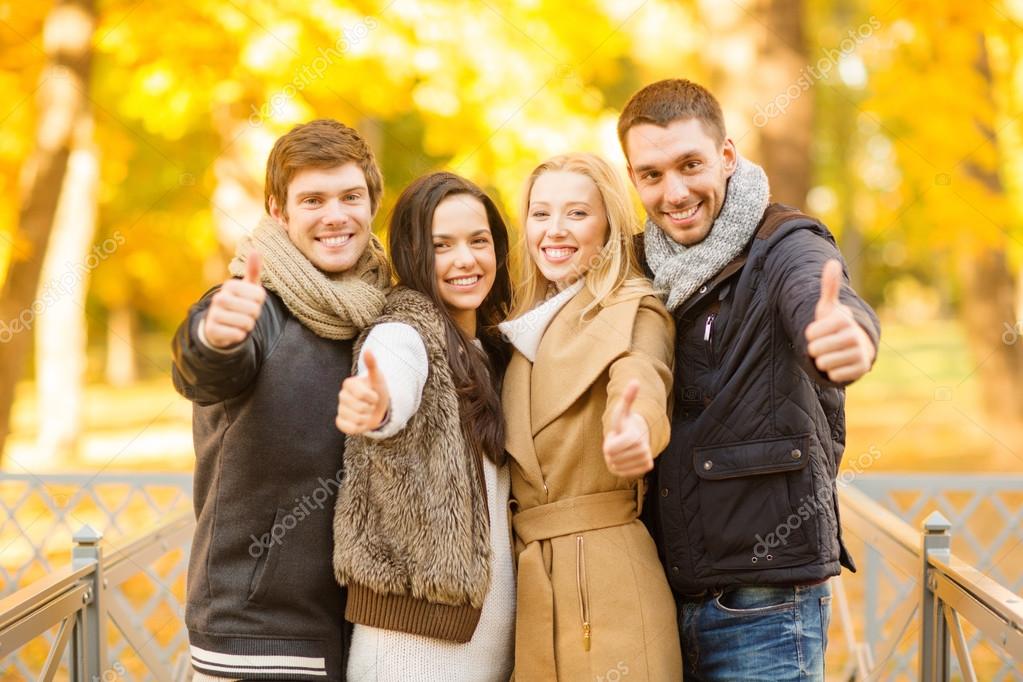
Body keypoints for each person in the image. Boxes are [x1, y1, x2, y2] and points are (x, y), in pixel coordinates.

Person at [617, 78, 881, 681]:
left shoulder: (784, 243)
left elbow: (819, 293)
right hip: (657, 598)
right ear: (633, 178)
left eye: (691, 165)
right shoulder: (634, 264)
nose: (675, 191)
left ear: (728, 156)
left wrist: (843, 336)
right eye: (652, 174)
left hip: (764, 607)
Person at [171, 119, 391, 682]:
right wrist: (213, 338)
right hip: (257, 635)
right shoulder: (255, 305)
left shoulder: (386, 305)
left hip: (365, 635)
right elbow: (206, 367)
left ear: (373, 201)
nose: (335, 215)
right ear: (278, 210)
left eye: (350, 196)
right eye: (312, 200)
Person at [498, 152, 682, 681]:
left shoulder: (635, 310)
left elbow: (643, 376)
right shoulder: (523, 328)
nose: (554, 230)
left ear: (609, 226)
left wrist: (635, 431)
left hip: (606, 586)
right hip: (533, 584)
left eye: (577, 214)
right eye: (540, 214)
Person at [332, 172, 516, 681]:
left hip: (485, 648)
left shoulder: (496, 351)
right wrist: (377, 407)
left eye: (478, 241)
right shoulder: (403, 333)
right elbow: (391, 380)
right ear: (413, 253)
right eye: (442, 246)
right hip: (411, 653)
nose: (466, 260)